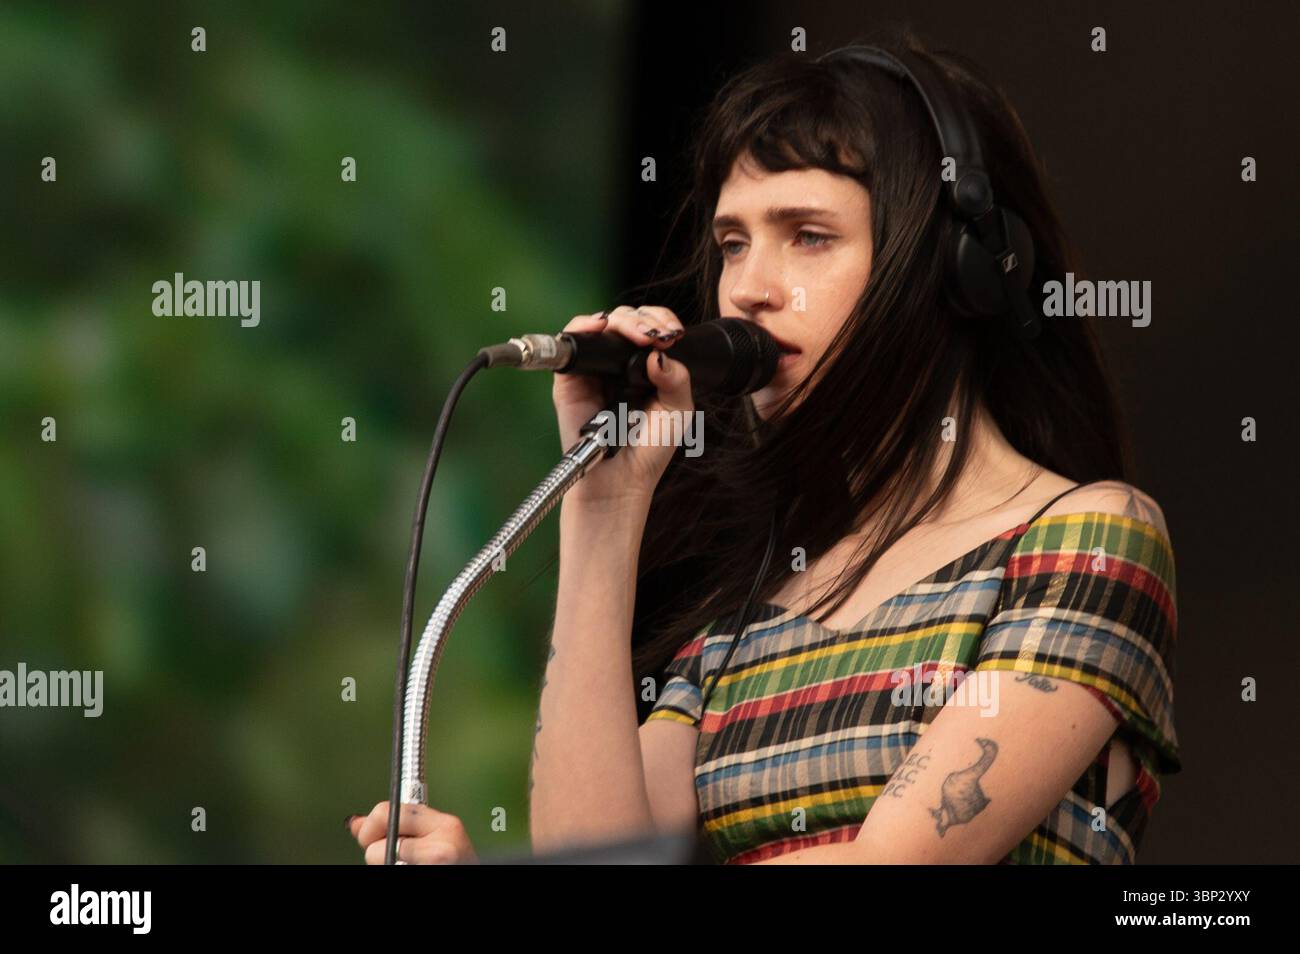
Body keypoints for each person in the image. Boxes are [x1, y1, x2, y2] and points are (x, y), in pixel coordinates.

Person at [348, 30, 1180, 865]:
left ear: (953, 270)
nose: (746, 288)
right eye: (733, 243)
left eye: (808, 236)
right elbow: (596, 859)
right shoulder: (735, 636)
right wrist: (605, 503)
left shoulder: (1090, 542)